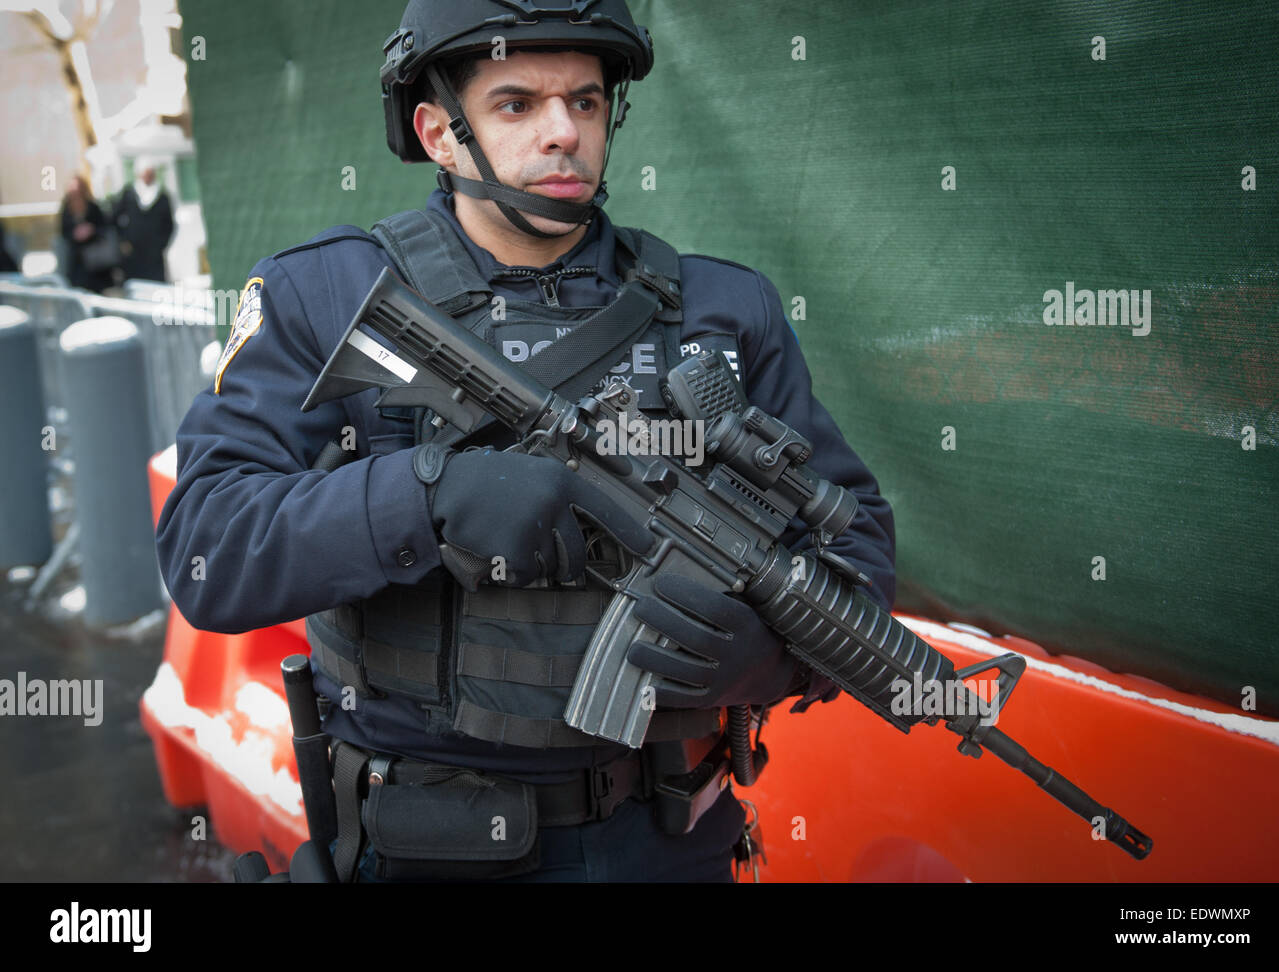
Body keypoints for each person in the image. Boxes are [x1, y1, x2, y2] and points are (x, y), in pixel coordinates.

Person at [156, 0, 896, 883]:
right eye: (517, 104)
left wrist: (769, 661)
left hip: (672, 838)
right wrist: (426, 498)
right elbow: (207, 546)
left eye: (584, 103)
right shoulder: (326, 293)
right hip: (432, 842)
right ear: (437, 131)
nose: (562, 134)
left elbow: (857, 544)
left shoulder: (723, 311)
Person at [112, 162, 175, 283]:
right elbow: (114, 218)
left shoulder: (162, 196)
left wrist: (161, 244)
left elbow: (169, 224)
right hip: (133, 253)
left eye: (151, 174)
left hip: (154, 254)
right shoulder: (129, 194)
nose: (148, 177)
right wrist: (123, 241)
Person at [58, 175, 115, 293]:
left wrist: (91, 230)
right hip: (76, 262)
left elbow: (105, 228)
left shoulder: (93, 207)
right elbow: (63, 232)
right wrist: (74, 234)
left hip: (95, 262)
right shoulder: (66, 210)